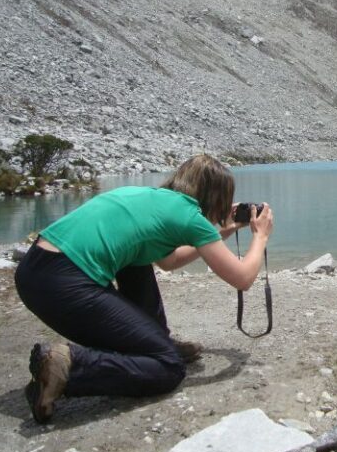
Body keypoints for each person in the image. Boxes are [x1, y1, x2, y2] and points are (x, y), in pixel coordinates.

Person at [14, 154, 273, 424]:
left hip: (35, 270)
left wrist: (220, 233)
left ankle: (153, 340)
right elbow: (243, 278)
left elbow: (168, 261)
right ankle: (70, 366)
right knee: (169, 367)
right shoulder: (189, 217)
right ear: (218, 197)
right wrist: (261, 236)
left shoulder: (145, 196)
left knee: (137, 261)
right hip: (64, 282)